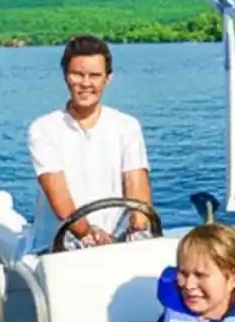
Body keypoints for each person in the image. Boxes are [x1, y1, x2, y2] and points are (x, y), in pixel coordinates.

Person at [28, 34, 154, 251]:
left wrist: (139, 224)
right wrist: (88, 233)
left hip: (117, 243)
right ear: (65, 76)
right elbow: (61, 202)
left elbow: (136, 182)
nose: (86, 83)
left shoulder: (127, 126)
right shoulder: (43, 129)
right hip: (58, 248)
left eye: (94, 75)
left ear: (108, 78)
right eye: (78, 74)